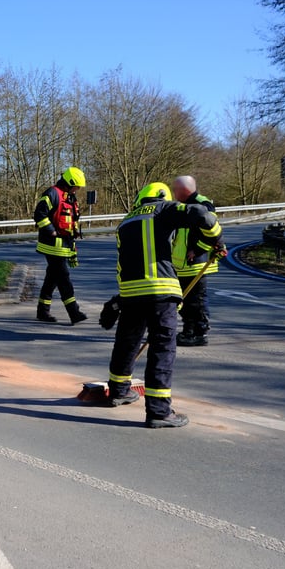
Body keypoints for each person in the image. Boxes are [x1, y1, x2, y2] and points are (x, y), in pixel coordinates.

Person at [106, 183, 224, 428]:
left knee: (127, 342)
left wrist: (119, 298)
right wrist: (216, 239)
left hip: (130, 292)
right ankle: (159, 411)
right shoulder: (163, 209)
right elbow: (203, 215)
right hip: (160, 290)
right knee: (162, 348)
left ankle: (119, 391)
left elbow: (121, 265)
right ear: (161, 197)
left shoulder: (125, 222)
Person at [33, 167, 88, 324]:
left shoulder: (69, 197)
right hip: (52, 245)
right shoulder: (52, 193)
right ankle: (74, 312)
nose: (78, 190)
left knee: (52, 278)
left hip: (64, 245)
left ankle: (42, 311)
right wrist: (51, 231)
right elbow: (39, 214)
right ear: (70, 183)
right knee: (63, 278)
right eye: (76, 186)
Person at [171, 176, 219, 347]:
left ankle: (199, 332)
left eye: (175, 189)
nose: (173, 193)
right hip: (183, 263)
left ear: (184, 190)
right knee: (185, 300)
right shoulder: (184, 205)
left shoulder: (202, 204)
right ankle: (188, 330)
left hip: (196, 262)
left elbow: (213, 231)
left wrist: (197, 250)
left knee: (196, 300)